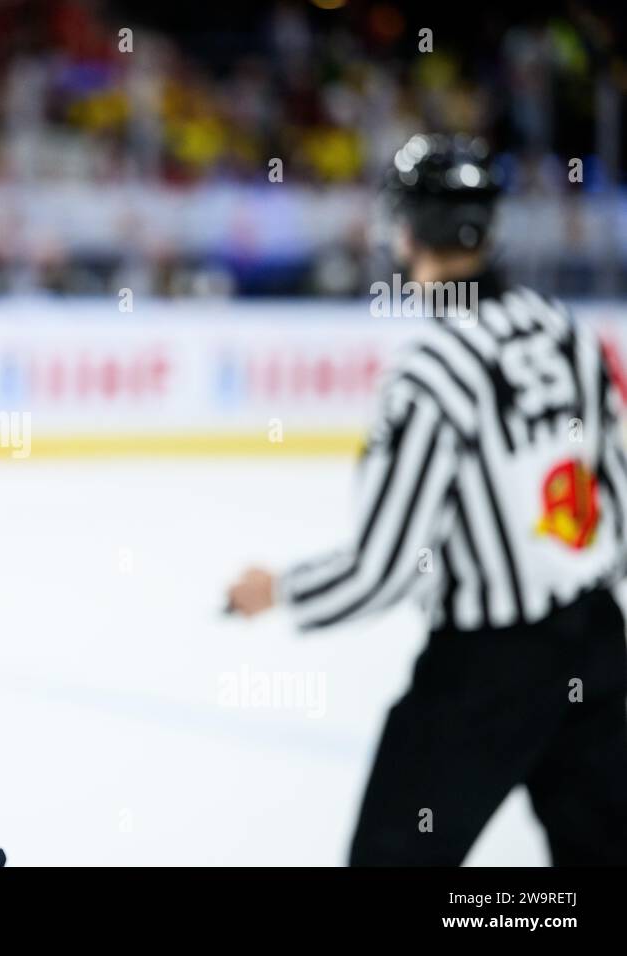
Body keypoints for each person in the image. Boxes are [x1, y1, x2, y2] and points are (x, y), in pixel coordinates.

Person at [227, 134, 627, 865]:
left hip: (484, 675)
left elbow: (382, 570)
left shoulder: (430, 377)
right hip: (599, 646)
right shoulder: (568, 331)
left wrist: (278, 590)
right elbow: (618, 498)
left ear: (408, 232)